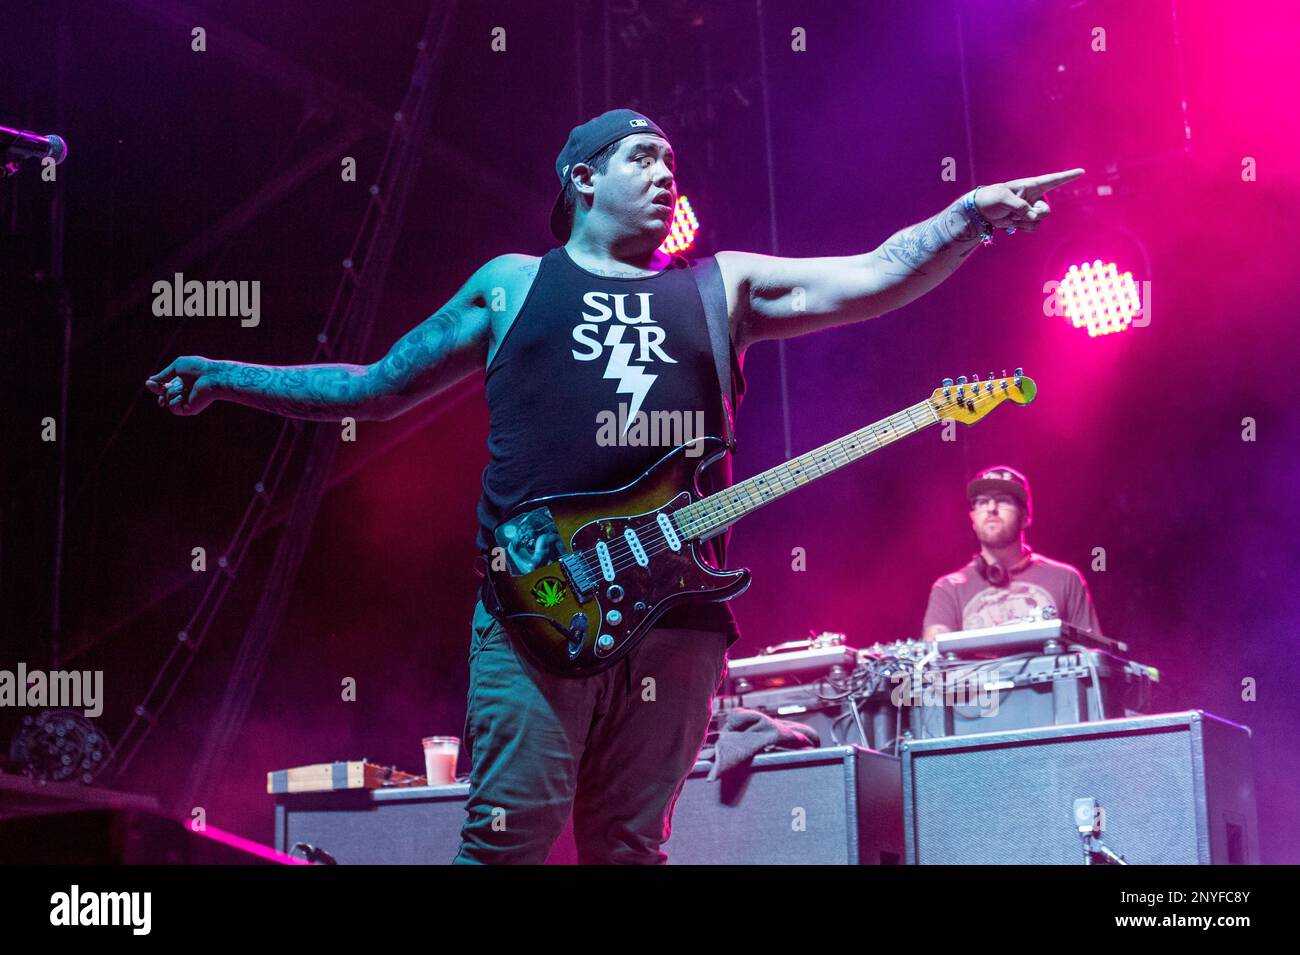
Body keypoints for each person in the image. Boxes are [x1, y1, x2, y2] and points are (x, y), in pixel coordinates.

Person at [146, 107, 1081, 863]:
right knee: (506, 838)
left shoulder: (724, 286)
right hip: (536, 602)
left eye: (673, 157)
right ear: (582, 178)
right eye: (641, 156)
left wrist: (969, 217)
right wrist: (232, 374)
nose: (666, 170)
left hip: (676, 622)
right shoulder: (514, 285)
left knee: (629, 847)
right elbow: (373, 386)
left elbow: (875, 272)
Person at [922, 465, 1103, 639]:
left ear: (1025, 517)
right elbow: (935, 657)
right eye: (982, 502)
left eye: (1003, 500)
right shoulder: (948, 589)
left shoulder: (1065, 579)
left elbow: (1090, 655)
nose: (991, 508)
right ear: (973, 519)